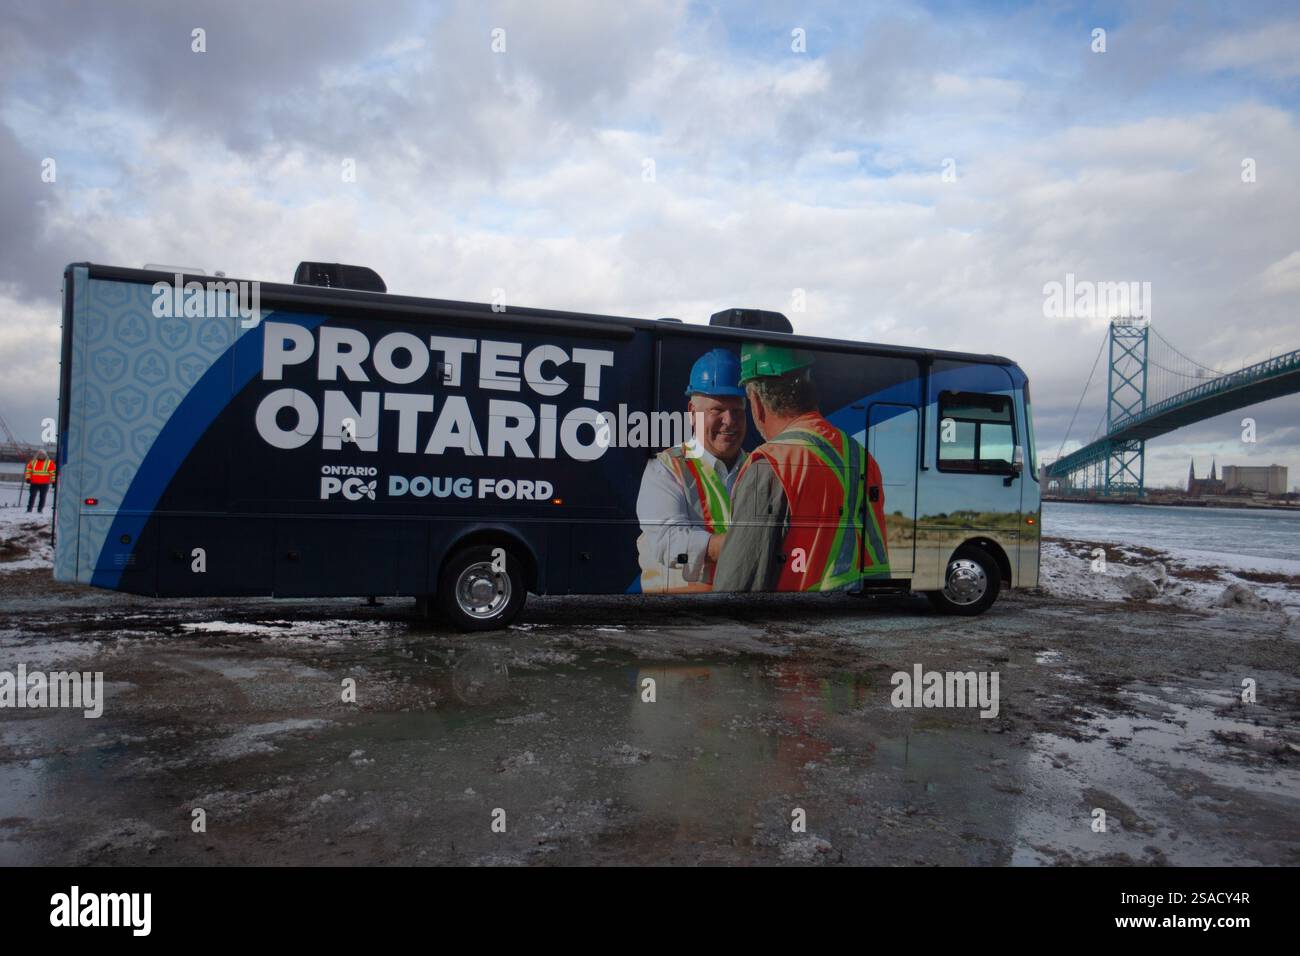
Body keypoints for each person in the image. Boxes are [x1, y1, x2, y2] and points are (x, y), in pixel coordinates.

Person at [712, 343, 889, 592]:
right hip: (868, 611)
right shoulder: (860, 455)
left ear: (757, 402)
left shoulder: (772, 466)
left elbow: (737, 587)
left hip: (804, 614)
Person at [636, 348, 748, 592]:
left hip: (738, 606)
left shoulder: (757, 467)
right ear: (692, 413)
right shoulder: (665, 468)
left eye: (737, 411)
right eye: (717, 410)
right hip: (677, 609)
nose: (729, 421)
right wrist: (742, 546)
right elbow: (668, 542)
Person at [24, 449, 56, 514]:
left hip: (44, 483)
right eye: (40, 454)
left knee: (42, 497)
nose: (41, 456)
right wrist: (28, 478)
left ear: (45, 455)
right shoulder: (33, 462)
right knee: (32, 496)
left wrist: (53, 482)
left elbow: (53, 473)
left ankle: (40, 510)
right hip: (34, 482)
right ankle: (29, 509)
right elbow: (28, 471)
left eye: (42, 454)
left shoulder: (49, 463)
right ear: (37, 455)